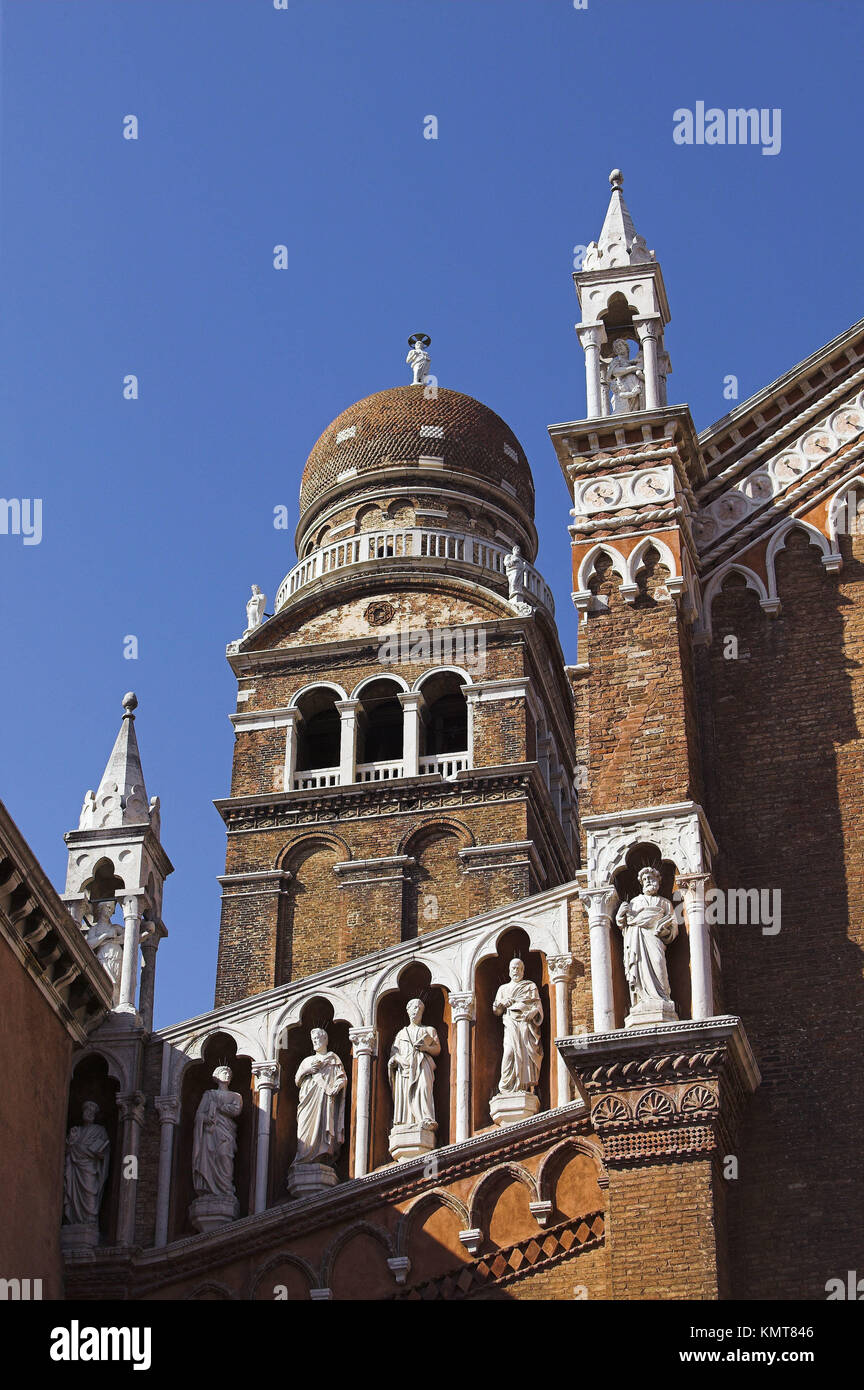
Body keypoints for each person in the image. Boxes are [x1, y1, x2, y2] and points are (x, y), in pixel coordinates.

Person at [493, 958, 543, 1094]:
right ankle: (506, 1088)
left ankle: (523, 1086)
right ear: (509, 971)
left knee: (525, 1053)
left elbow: (537, 1006)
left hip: (526, 1025)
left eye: (519, 968)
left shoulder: (530, 986)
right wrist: (502, 1003)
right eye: (514, 968)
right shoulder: (503, 989)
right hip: (510, 1023)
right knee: (509, 1052)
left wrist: (533, 1012)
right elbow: (496, 1011)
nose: (516, 971)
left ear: (523, 970)